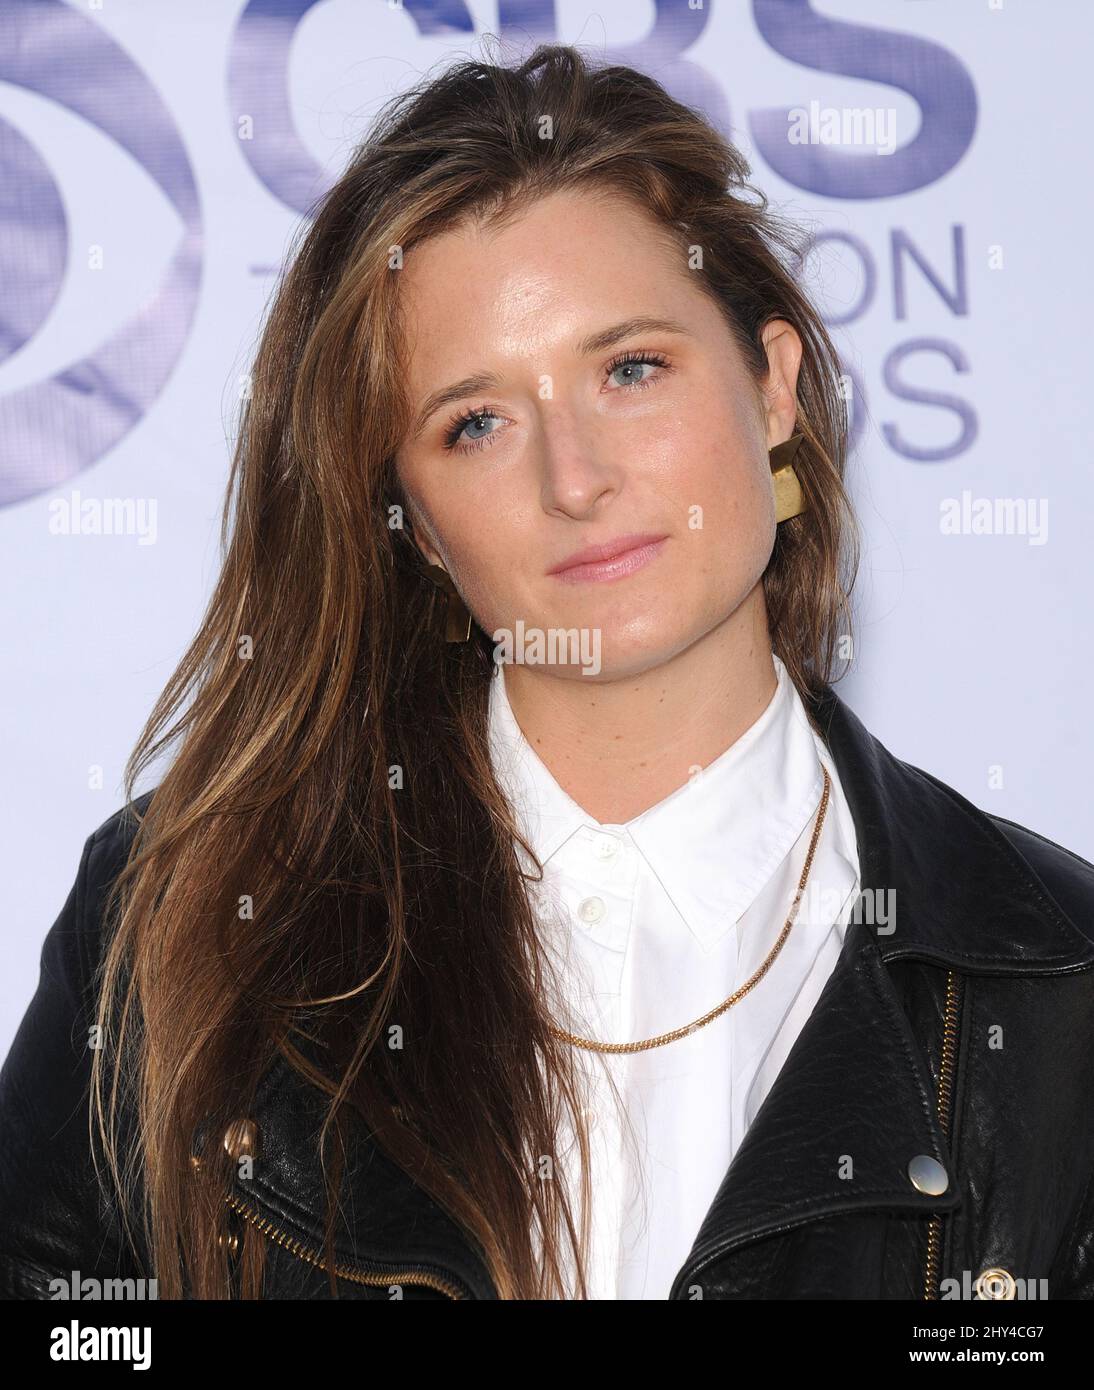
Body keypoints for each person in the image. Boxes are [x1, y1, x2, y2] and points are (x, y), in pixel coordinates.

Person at [2, 41, 1093, 1303]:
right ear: (411, 522)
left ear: (773, 386)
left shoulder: (1051, 981)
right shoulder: (183, 915)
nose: (572, 479)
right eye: (475, 423)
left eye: (630, 368)